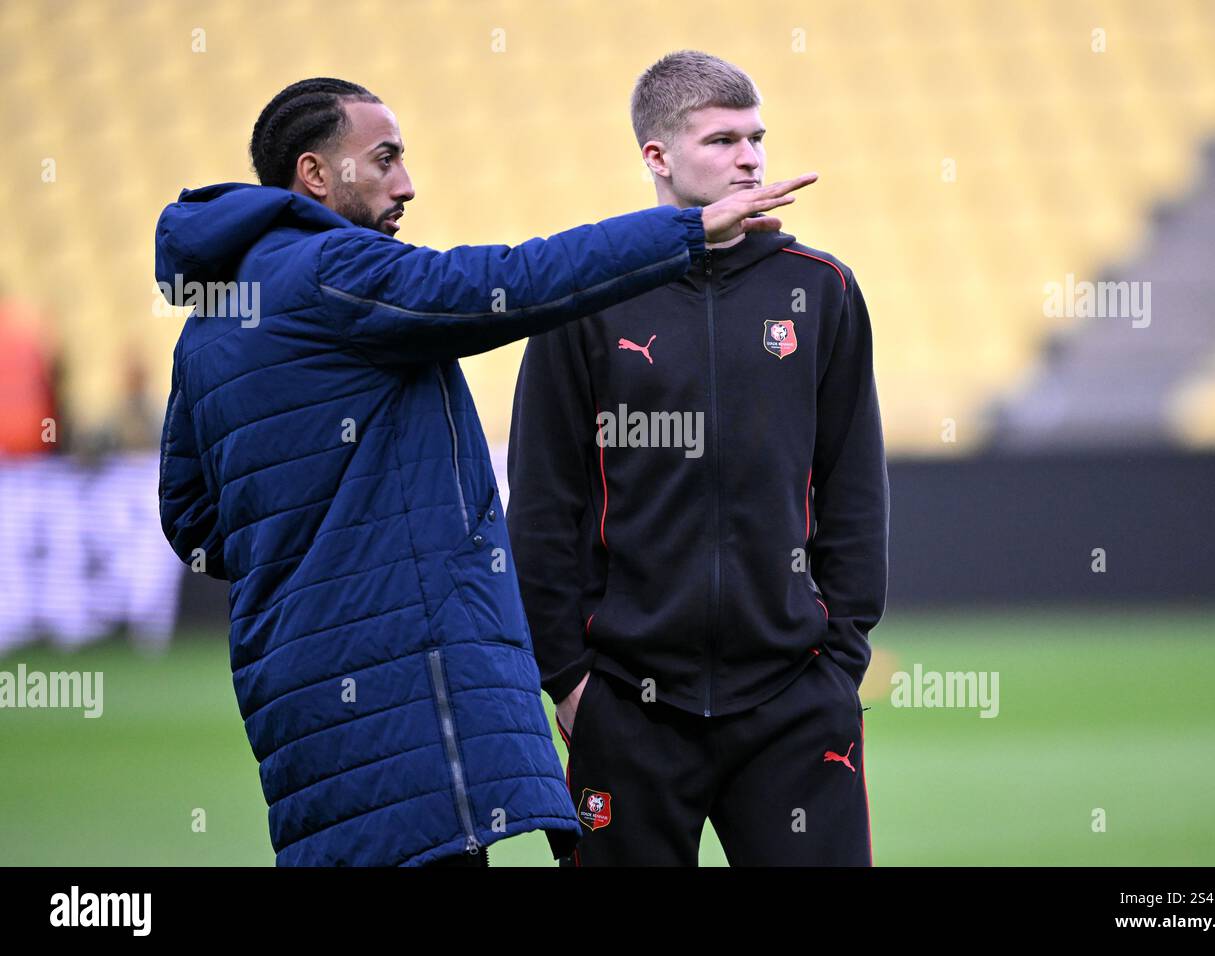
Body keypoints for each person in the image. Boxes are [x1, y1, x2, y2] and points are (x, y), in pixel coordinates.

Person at [155, 76, 816, 866]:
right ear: (315, 175)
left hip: (294, 693)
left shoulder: (212, 320)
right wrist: (681, 233)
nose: (407, 183)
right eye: (385, 159)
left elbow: (192, 521)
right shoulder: (336, 270)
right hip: (401, 689)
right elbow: (503, 283)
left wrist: (318, 537)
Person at [507, 51, 887, 866]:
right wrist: (572, 683)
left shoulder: (820, 290)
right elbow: (543, 504)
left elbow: (853, 490)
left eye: (756, 138)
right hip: (628, 707)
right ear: (657, 156)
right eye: (722, 140)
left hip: (793, 701)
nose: (750, 157)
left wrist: (840, 660)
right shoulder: (586, 298)